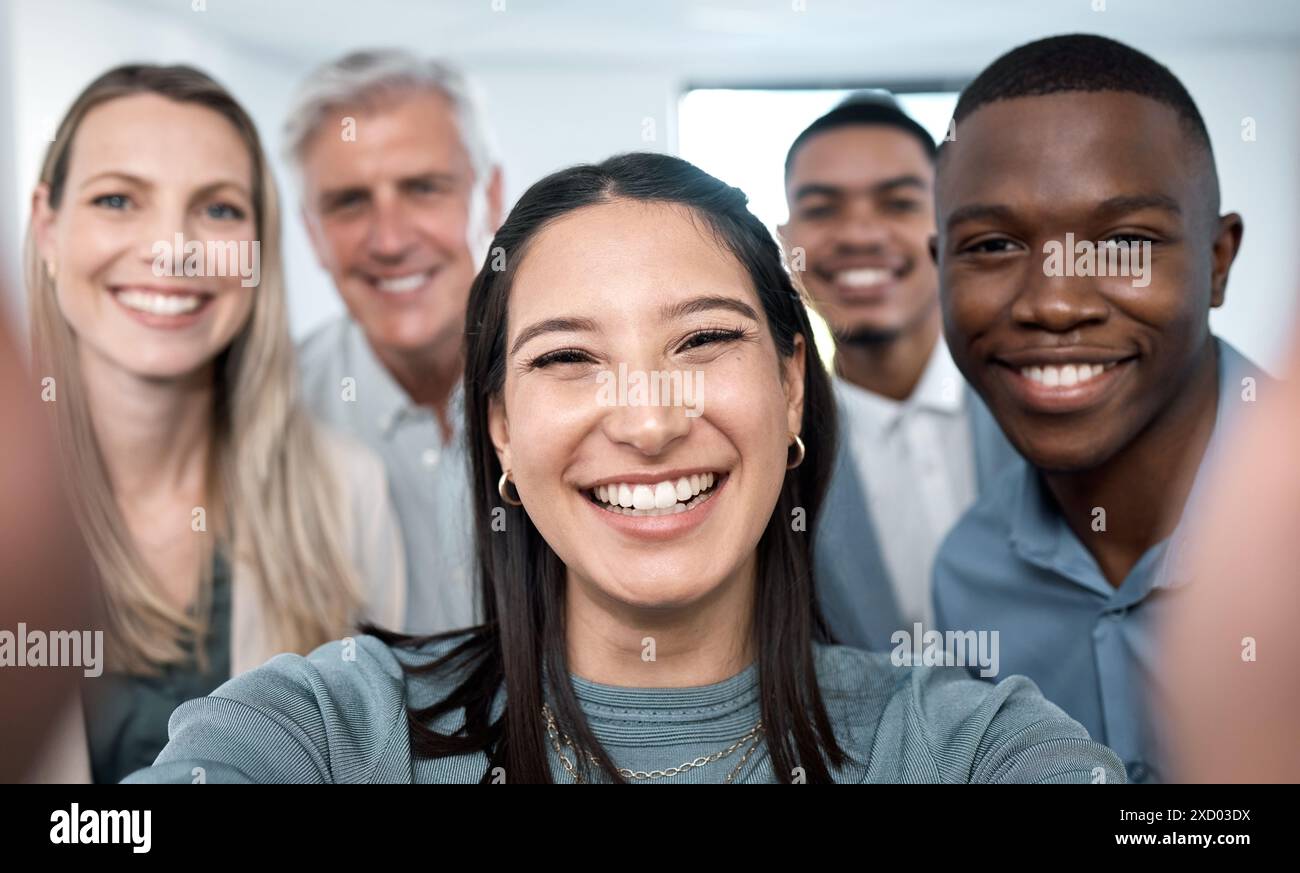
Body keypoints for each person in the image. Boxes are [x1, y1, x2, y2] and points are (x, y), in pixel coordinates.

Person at [126, 153, 1123, 784]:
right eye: (568, 356)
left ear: (789, 388)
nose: (648, 423)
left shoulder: (967, 743)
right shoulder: (328, 724)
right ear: (501, 428)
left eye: (703, 341)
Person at [25, 63, 405, 783]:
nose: (174, 248)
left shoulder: (347, 491)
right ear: (48, 227)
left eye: (220, 210)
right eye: (117, 199)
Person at [931, 34, 1265, 783]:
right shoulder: (967, 572)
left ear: (1217, 262)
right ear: (939, 269)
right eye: (992, 246)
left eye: (1124, 243)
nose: (1054, 303)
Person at [778, 95, 1014, 649]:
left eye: (900, 203)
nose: (860, 235)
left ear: (951, 224)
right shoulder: (776, 455)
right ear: (787, 244)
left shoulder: (1036, 405)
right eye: (822, 208)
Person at [287, 50, 503, 634]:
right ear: (312, 232)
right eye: (349, 202)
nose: (388, 241)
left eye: (424, 188)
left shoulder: (577, 385)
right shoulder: (270, 417)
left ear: (491, 196)